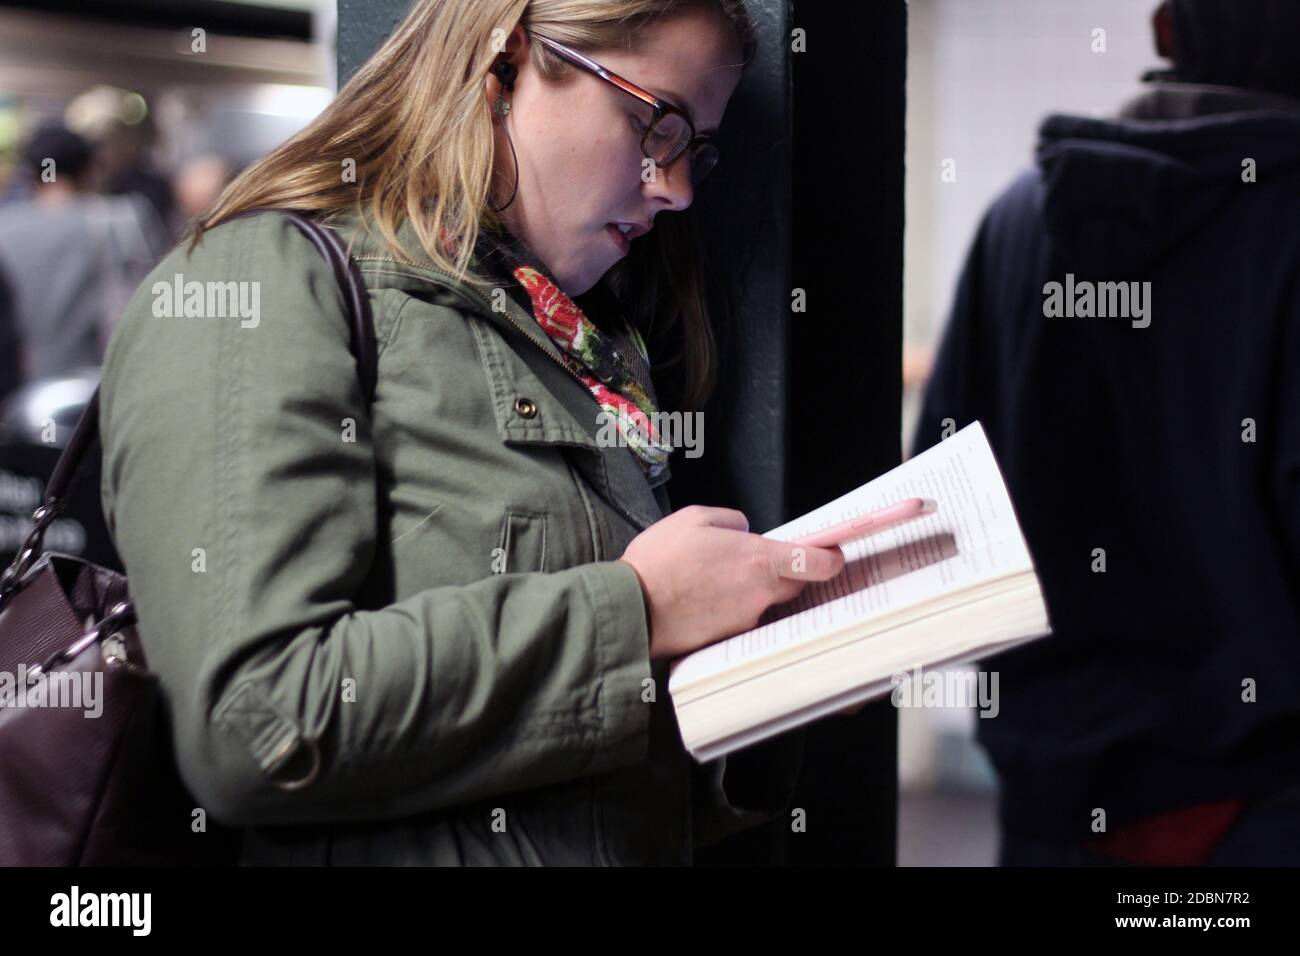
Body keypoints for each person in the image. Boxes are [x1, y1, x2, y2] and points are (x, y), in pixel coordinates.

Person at [99, 0, 845, 866]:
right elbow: (257, 725)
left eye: (695, 151)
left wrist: (769, 687)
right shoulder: (262, 283)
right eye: (655, 123)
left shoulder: (568, 332)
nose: (675, 188)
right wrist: (636, 614)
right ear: (507, 62)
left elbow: (562, 782)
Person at [913, 0, 1300, 865]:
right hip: (1264, 810)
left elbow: (941, 504)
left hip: (1051, 805)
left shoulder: (1020, 218)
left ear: (1163, 32)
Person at [0, 123, 167, 386]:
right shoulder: (125, 217)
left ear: (31, 172)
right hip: (105, 386)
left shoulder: (6, 228)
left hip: (24, 391)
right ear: (88, 169)